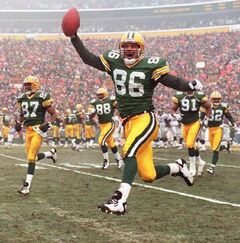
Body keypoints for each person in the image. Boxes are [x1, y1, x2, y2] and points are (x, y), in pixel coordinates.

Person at [69, 30, 203, 215]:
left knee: (128, 150)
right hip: (128, 123)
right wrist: (74, 38)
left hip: (145, 118)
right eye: (126, 46)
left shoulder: (150, 65)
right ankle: (178, 167)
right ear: (121, 48)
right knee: (148, 175)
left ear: (141, 49)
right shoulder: (114, 61)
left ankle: (120, 200)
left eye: (134, 46)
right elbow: (88, 58)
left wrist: (189, 85)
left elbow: (170, 80)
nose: (129, 49)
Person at [15, 76, 58, 196]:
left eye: (29, 84)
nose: (26, 86)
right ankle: (50, 153)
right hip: (28, 131)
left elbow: (54, 114)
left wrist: (47, 124)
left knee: (31, 158)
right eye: (26, 84)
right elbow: (22, 113)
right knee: (31, 157)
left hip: (38, 130)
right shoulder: (22, 98)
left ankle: (26, 187)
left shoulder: (42, 96)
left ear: (34, 85)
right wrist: (19, 122)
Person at [172, 90, 211, 176]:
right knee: (191, 145)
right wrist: (175, 115)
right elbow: (173, 110)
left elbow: (208, 107)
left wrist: (207, 119)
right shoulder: (180, 95)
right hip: (184, 124)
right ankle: (200, 162)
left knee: (190, 144)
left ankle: (192, 167)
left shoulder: (198, 95)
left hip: (195, 123)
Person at [201, 91, 236, 174]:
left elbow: (228, 115)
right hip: (210, 129)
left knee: (215, 150)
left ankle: (212, 168)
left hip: (218, 129)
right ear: (211, 99)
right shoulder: (207, 106)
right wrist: (202, 122)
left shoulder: (223, 106)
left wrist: (233, 122)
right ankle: (224, 146)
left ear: (220, 100)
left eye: (218, 99)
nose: (216, 101)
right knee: (214, 149)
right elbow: (201, 116)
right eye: (214, 99)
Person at [90, 87, 123, 169]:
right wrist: (93, 118)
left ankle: (106, 161)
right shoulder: (95, 102)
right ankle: (119, 159)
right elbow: (91, 116)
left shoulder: (111, 100)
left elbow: (119, 108)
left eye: (101, 94)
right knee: (111, 143)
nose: (99, 96)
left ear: (105, 94)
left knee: (101, 141)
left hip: (110, 124)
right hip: (102, 125)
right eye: (98, 95)